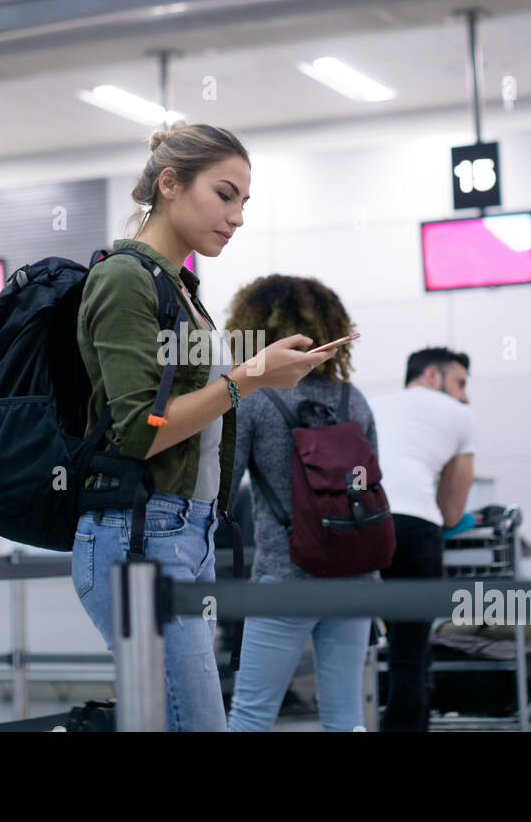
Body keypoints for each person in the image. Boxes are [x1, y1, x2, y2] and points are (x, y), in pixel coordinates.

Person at [72, 122, 339, 731]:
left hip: (187, 534)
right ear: (170, 183)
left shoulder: (181, 289)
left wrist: (259, 375)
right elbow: (141, 430)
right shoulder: (124, 278)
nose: (237, 216)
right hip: (140, 535)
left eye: (243, 201)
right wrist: (252, 376)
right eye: (224, 195)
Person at [224, 275, 378, 732]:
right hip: (356, 575)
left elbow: (222, 493)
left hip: (284, 576)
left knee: (251, 715)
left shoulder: (255, 398)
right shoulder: (354, 400)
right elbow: (369, 490)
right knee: (346, 715)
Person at [368, 347, 475, 731]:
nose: (464, 394)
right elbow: (451, 511)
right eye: (460, 382)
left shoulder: (370, 404)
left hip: (363, 527)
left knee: (356, 648)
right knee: (409, 656)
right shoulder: (461, 415)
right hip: (416, 530)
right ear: (432, 375)